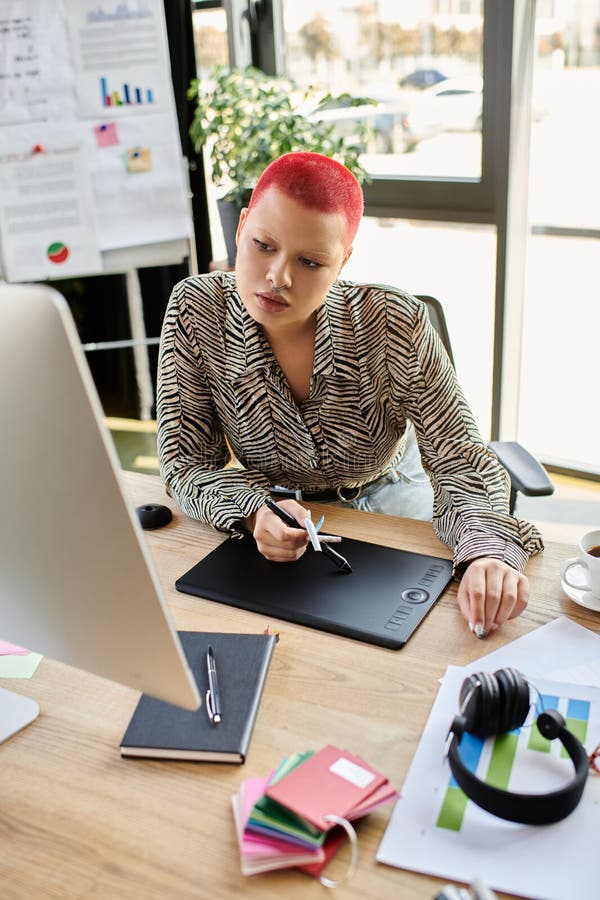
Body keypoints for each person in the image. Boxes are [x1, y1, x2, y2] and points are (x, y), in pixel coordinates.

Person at [157, 151, 543, 637]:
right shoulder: (197, 309)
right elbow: (186, 462)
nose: (278, 276)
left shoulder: (393, 322)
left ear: (343, 261)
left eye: (311, 261)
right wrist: (254, 511)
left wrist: (487, 550)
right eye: (262, 245)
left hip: (394, 503)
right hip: (277, 518)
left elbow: (459, 459)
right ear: (241, 229)